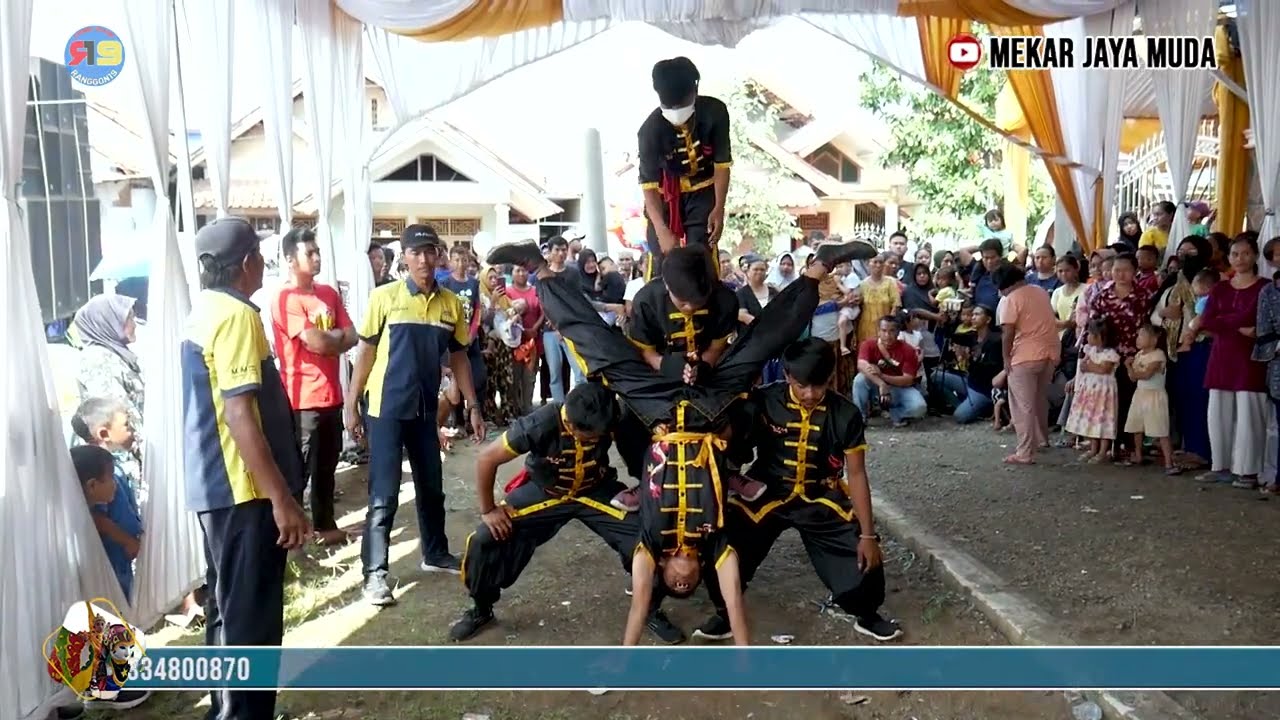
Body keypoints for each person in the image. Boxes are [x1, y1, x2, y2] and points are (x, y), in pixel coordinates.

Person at [486, 236, 873, 644]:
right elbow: (642, 351)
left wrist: (702, 364)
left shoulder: (651, 546)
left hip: (679, 397)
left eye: (678, 584)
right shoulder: (651, 299)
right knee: (752, 347)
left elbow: (722, 344)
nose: (684, 578)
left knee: (602, 346)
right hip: (670, 385)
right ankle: (820, 269)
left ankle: (537, 267)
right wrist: (671, 366)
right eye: (690, 584)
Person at [182, 217, 309, 720]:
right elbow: (239, 413)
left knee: (227, 612)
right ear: (248, 263)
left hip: (218, 489)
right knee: (251, 623)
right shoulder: (236, 315)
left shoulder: (205, 309)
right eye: (261, 255)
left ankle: (227, 710)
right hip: (244, 491)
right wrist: (281, 498)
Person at [698, 339, 902, 643]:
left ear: (830, 379)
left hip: (822, 496)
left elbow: (857, 474)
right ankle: (725, 612)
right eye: (802, 385)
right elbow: (732, 446)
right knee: (722, 545)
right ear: (787, 375)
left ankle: (867, 614)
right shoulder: (764, 400)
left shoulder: (845, 413)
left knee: (864, 562)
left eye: (818, 386)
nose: (810, 394)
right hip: (766, 491)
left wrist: (868, 536)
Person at [345, 224, 484, 606]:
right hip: (386, 408)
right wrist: (350, 404)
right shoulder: (384, 297)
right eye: (415, 253)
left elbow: (458, 357)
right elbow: (366, 352)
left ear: (438, 255)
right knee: (384, 495)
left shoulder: (451, 304)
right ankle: (375, 574)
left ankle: (435, 553)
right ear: (403, 257)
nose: (423, 260)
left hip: (426, 410)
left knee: (431, 486)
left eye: (429, 252)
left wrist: (472, 405)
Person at [449, 384, 638, 641]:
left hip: (596, 489)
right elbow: (486, 458)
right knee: (485, 539)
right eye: (588, 437)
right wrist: (489, 510)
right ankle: (482, 608)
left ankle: (648, 600)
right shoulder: (541, 422)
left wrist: (642, 489)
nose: (594, 441)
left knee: (645, 534)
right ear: (570, 425)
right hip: (546, 492)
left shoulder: (613, 416)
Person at [271, 227, 358, 546]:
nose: (317, 257)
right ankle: (290, 533)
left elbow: (352, 335)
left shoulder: (329, 294)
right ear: (291, 260)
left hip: (331, 395)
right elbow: (318, 341)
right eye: (310, 253)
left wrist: (332, 338)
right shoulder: (286, 298)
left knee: (327, 466)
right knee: (299, 470)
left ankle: (325, 525)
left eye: (318, 251)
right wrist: (334, 338)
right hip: (301, 400)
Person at [71, 443, 152, 709]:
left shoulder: (79, 507)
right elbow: (101, 523)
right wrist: (127, 540)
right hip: (106, 572)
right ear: (92, 485)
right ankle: (114, 688)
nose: (115, 485)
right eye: (110, 479)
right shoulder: (82, 514)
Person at [638, 57, 731, 280]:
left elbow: (721, 165)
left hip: (704, 192)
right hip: (663, 197)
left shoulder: (715, 112)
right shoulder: (649, 130)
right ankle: (658, 308)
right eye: (670, 106)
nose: (676, 110)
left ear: (695, 90)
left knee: (702, 251)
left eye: (681, 104)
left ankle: (707, 307)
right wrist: (661, 230)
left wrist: (719, 207)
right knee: (661, 254)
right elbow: (649, 188)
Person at [1198, 235, 1269, 488]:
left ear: (1255, 256)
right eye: (1235, 254)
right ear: (1228, 257)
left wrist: (1226, 321)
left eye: (1246, 254)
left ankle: (1248, 470)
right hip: (1222, 355)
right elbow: (1207, 320)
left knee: (1250, 413)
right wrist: (1238, 326)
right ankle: (1222, 465)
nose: (1240, 259)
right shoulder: (1220, 288)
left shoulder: (1265, 288)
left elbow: (1261, 320)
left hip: (1251, 358)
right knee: (1218, 413)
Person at [72, 399, 143, 601]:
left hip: (119, 556)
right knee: (115, 603)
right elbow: (99, 517)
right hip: (111, 556)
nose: (131, 430)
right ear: (104, 433)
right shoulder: (97, 468)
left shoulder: (110, 465)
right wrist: (127, 540)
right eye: (126, 425)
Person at [993, 264, 1060, 465]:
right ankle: (1042, 440)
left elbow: (1008, 333)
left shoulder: (1010, 299)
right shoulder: (1040, 292)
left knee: (1023, 406)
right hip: (1050, 352)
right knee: (1039, 399)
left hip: (1025, 355)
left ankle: (1024, 452)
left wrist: (1005, 358)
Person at [73, 294, 145, 470]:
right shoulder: (97, 359)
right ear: (108, 321)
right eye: (128, 318)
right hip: (123, 462)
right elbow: (116, 415)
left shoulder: (116, 354)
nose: (134, 324)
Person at [853, 315, 927, 428]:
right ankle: (860, 417)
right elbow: (861, 365)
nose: (887, 335)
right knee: (860, 379)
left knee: (919, 408)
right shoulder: (868, 344)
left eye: (892, 331)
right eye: (884, 331)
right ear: (878, 331)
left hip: (899, 388)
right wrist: (881, 384)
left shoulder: (908, 350)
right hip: (877, 386)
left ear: (898, 332)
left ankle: (896, 414)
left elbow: (907, 379)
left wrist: (882, 376)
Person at [441, 244, 487, 425]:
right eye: (457, 260)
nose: (461, 264)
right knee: (456, 380)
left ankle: (476, 416)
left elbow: (477, 310)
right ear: (451, 261)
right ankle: (458, 421)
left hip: (471, 339)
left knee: (478, 378)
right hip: (452, 341)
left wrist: (472, 333)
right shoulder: (445, 284)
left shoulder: (474, 283)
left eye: (464, 260)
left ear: (469, 262)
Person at [933, 304, 1003, 424]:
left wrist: (971, 359)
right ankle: (965, 405)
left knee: (960, 417)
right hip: (969, 382)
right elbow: (951, 336)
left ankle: (981, 407)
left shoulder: (995, 340)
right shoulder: (973, 336)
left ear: (988, 319)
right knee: (935, 376)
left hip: (984, 390)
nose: (973, 317)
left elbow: (993, 368)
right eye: (972, 315)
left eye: (977, 314)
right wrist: (948, 321)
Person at [1123, 324, 1177, 474]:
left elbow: (1146, 374)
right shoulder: (1139, 355)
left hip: (1155, 395)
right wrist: (1130, 368)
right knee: (1137, 427)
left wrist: (1131, 369)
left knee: (1161, 429)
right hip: (1140, 393)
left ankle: (1169, 462)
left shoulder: (1158, 355)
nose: (1138, 338)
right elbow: (1133, 378)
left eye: (1142, 335)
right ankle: (1138, 455)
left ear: (1153, 340)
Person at [1065, 317, 1120, 463]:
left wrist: (1090, 367)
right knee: (1092, 420)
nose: (1087, 336)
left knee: (1104, 419)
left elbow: (1104, 369)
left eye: (1089, 334)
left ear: (1099, 337)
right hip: (1091, 391)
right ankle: (1093, 448)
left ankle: (1103, 451)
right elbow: (1083, 365)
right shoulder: (1089, 350)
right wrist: (1088, 366)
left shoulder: (1110, 354)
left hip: (1103, 392)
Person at [505, 263, 542, 416]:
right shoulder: (507, 292)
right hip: (513, 343)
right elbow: (503, 313)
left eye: (524, 270)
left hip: (532, 342)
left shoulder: (535, 291)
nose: (521, 273)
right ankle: (515, 410)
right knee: (514, 377)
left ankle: (528, 408)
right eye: (517, 270)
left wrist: (535, 328)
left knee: (530, 377)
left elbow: (542, 312)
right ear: (512, 273)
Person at [852, 254, 902, 348]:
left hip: (886, 328)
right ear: (868, 264)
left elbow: (896, 304)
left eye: (881, 262)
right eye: (875, 262)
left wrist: (889, 326)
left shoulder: (890, 282)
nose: (878, 265)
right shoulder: (862, 284)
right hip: (866, 327)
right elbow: (858, 308)